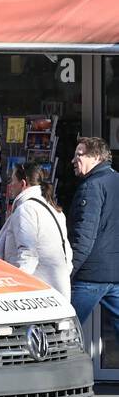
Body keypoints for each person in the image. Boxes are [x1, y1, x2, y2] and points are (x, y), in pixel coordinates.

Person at [67, 136, 119, 342]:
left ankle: (60, 372)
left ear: (96, 157)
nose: (73, 160)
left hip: (91, 275)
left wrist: (69, 269)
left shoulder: (92, 187)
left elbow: (84, 236)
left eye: (79, 155)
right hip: (115, 275)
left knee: (64, 331)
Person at [0, 162, 71, 295]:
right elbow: (67, 254)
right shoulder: (53, 209)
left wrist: (14, 288)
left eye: (12, 181)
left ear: (23, 184)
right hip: (56, 289)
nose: (10, 185)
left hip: (35, 291)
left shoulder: (26, 209)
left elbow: (28, 255)